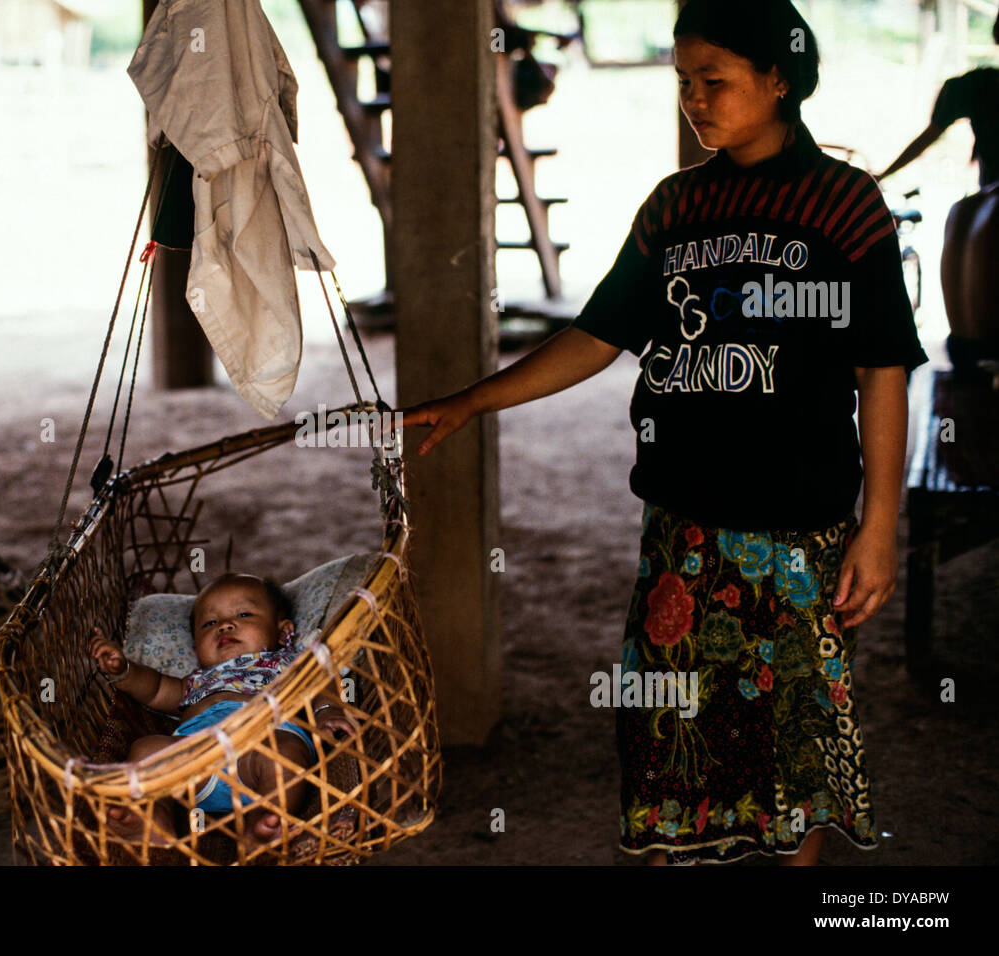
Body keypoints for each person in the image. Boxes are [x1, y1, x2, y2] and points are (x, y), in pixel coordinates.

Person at [400, 0, 927, 865]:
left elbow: (883, 371)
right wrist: (473, 400)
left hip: (802, 530)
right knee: (667, 727)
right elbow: (597, 336)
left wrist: (880, 527)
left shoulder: (845, 207)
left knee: (791, 739)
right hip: (681, 529)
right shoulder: (675, 208)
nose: (695, 99)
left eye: (714, 81)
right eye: (685, 81)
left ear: (780, 79)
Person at [88, 573, 356, 845]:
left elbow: (322, 682)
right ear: (195, 647)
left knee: (285, 755)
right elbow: (155, 689)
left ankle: (265, 816)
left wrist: (327, 711)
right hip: (194, 761)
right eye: (210, 623)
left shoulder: (287, 663)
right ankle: (153, 816)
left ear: (283, 631)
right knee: (146, 748)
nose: (226, 625)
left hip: (262, 748)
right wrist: (124, 671)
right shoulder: (197, 679)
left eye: (244, 615)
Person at [878, 10, 999, 187]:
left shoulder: (974, 85)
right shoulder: (974, 86)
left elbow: (928, 136)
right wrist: (882, 175)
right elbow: (928, 137)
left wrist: (882, 176)